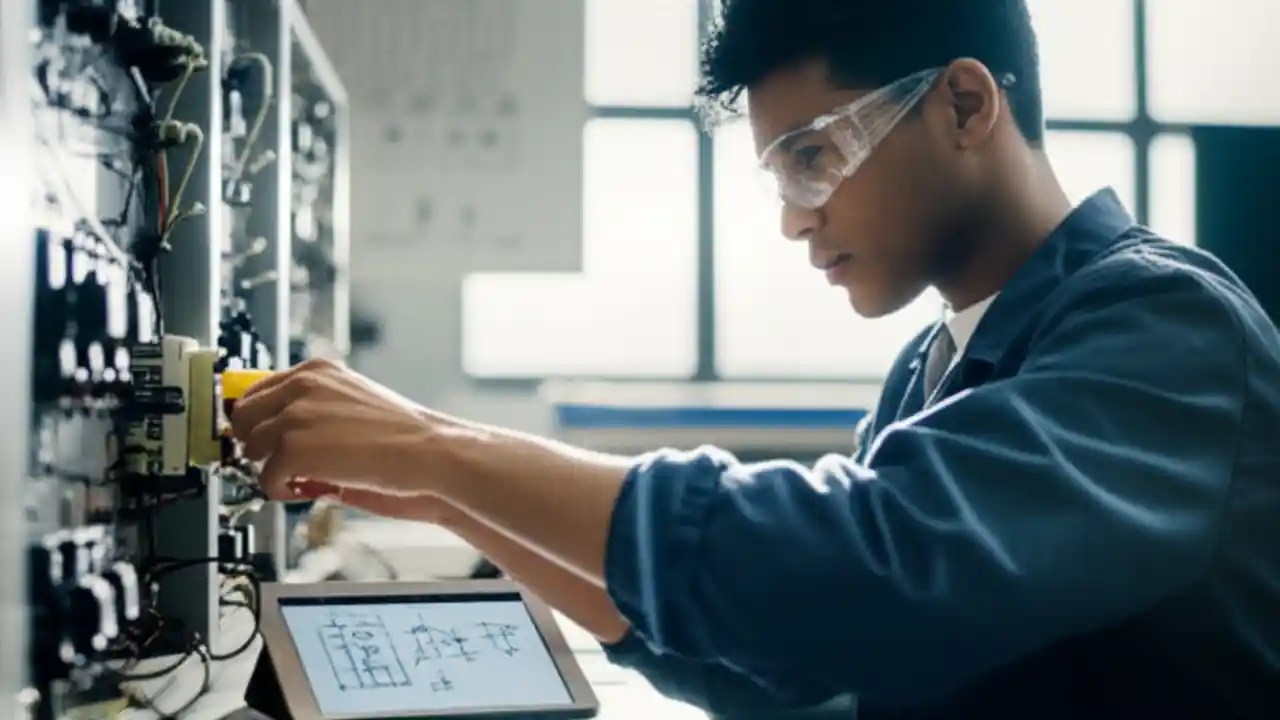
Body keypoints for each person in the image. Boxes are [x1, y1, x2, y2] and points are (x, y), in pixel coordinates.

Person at [230, 1, 1280, 717]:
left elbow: (857, 570)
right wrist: (456, 504)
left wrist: (439, 449)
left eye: (812, 159)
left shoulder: (1165, 329)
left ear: (964, 104)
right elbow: (795, 671)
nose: (792, 224)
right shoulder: (933, 368)